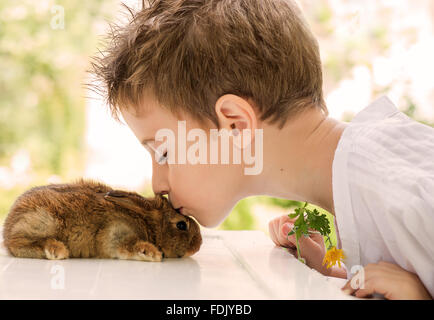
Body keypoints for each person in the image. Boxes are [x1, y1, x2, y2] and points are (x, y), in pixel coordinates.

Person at [90, 0, 433, 299]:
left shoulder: (397, 196)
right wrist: (336, 276)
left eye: (163, 153)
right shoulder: (365, 181)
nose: (157, 184)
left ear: (236, 124)